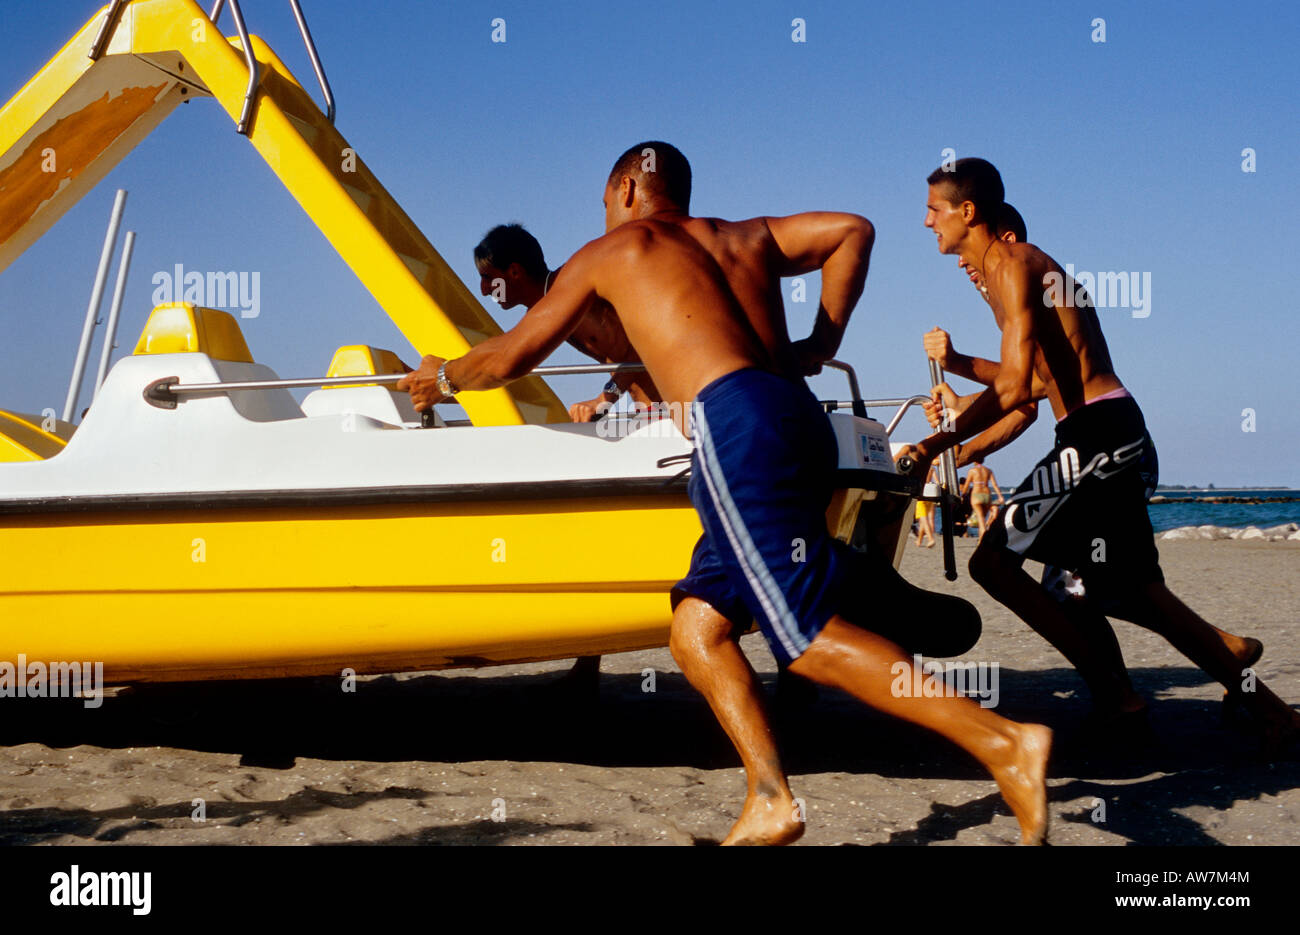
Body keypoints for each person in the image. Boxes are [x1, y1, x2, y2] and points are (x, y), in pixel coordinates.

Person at [400, 142, 1052, 846]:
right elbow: (853, 230)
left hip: (735, 424)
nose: (603, 210)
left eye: (603, 197)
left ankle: (1001, 741)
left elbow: (513, 353)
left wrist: (442, 379)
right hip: (794, 416)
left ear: (625, 187)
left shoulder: (613, 250)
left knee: (802, 638)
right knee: (697, 628)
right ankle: (771, 795)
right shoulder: (743, 234)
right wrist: (817, 342)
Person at [903, 157, 1292, 744]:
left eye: (934, 210)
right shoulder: (1014, 272)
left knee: (993, 561)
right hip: (1099, 431)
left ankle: (1124, 691)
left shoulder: (1010, 263)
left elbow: (1012, 388)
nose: (927, 222)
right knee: (1097, 588)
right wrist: (966, 412)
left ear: (968, 210)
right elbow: (1032, 389)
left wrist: (936, 442)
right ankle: (1248, 698)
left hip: (1098, 435)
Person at [471, 223, 660, 692]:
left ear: (514, 271)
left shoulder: (572, 295)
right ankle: (588, 659)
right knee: (597, 532)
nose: (483, 291)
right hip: (653, 418)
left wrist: (604, 396)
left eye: (489, 278)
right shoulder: (554, 302)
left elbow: (642, 345)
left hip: (673, 418)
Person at [962, 460, 1003, 540]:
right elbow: (994, 485)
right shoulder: (988, 470)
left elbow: (966, 486)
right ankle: (981, 541)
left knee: (980, 519)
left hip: (976, 495)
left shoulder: (972, 471)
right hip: (986, 494)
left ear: (974, 461)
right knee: (983, 519)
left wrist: (963, 495)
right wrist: (1000, 496)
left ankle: (984, 537)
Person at [914, 464, 937, 547]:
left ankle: (930, 539)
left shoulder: (920, 466)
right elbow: (937, 481)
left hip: (921, 493)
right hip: (929, 492)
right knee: (923, 520)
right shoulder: (931, 468)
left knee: (923, 518)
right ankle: (919, 541)